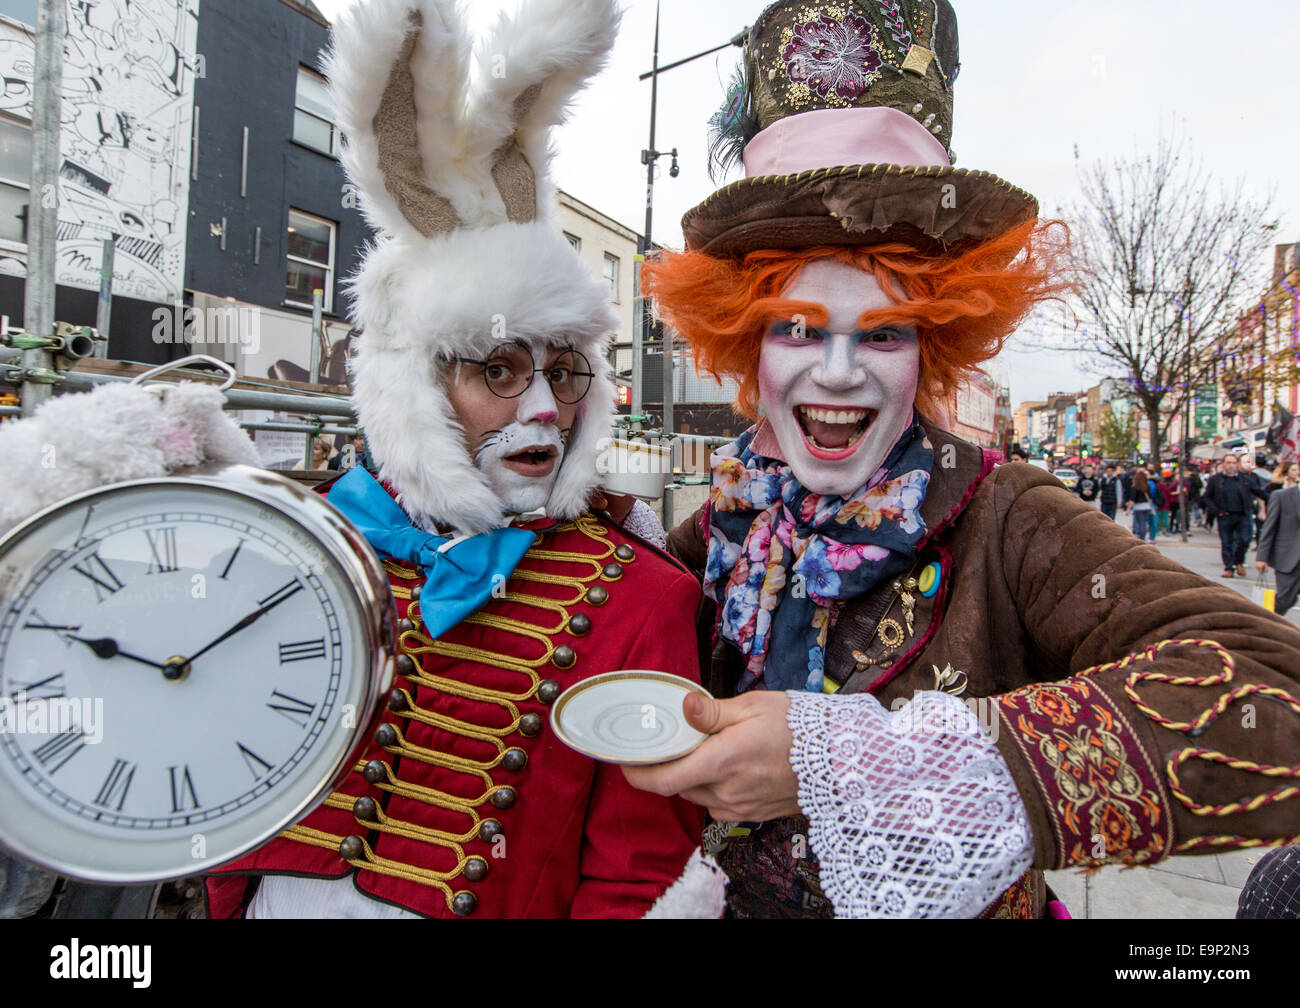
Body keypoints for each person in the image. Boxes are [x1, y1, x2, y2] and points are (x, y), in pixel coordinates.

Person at [1, 0, 723, 920]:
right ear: (411, 386)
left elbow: (634, 876)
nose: (545, 407)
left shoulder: (640, 595)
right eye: (498, 369)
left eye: (567, 371)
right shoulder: (283, 543)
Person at [624, 0, 1300, 918]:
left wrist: (848, 761)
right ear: (747, 347)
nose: (837, 373)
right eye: (795, 328)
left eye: (886, 332)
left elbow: (1274, 701)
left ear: (932, 347)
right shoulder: (715, 531)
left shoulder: (1006, 515)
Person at [1204, 452, 1269, 578]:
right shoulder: (1216, 480)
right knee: (1227, 542)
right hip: (1225, 515)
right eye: (1228, 463)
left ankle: (1238, 561)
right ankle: (1229, 568)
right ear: (1223, 464)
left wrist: (1275, 499)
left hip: (1243, 514)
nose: (1231, 466)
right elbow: (1207, 497)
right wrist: (1215, 510)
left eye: (1234, 463)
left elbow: (1259, 492)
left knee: (1245, 539)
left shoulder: (1245, 479)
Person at [1256, 461, 1300, 617]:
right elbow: (1269, 529)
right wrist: (1262, 557)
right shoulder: (1281, 496)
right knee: (1284, 600)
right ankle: (1264, 622)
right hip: (1289, 559)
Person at [1127, 467, 1157, 542]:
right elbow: (1150, 497)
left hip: (1138, 507)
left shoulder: (1135, 487)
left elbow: (1132, 499)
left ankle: (1142, 537)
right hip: (1146, 506)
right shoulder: (1147, 486)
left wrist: (1128, 509)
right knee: (1144, 522)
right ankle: (1143, 536)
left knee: (1140, 522)